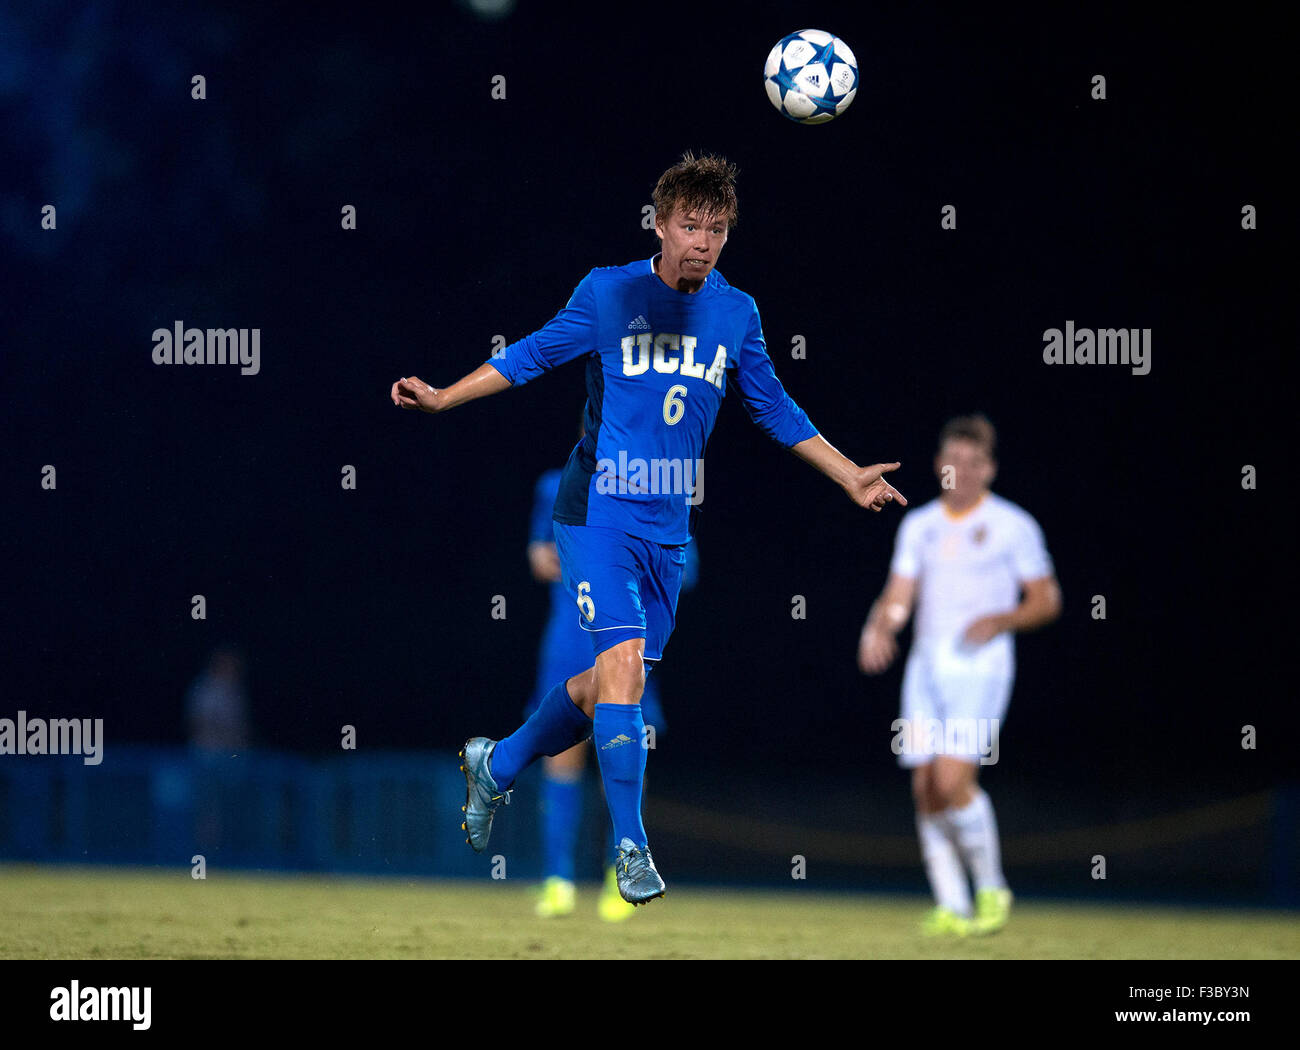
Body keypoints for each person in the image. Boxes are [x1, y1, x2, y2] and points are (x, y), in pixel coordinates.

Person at [393, 151, 906, 905]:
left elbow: (772, 406)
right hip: (596, 511)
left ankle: (496, 765)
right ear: (660, 225)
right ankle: (630, 848)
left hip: (668, 530)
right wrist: (442, 399)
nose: (702, 241)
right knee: (624, 666)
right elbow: (531, 356)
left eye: (717, 229)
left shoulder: (738, 313)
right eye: (690, 225)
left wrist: (848, 471)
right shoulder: (609, 293)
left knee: (607, 686)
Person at [858, 414, 1060, 935]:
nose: (961, 471)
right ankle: (952, 905)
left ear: (989, 468)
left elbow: (1047, 600)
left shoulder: (1013, 525)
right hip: (925, 668)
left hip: (980, 667)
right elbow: (900, 596)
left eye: (973, 462)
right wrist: (880, 626)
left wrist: (1003, 618)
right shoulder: (919, 524)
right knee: (925, 786)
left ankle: (991, 886)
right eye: (953, 460)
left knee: (951, 781)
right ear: (938, 465)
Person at [525, 452, 698, 921]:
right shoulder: (557, 482)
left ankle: (616, 875)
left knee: (621, 751)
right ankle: (557, 880)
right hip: (572, 636)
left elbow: (686, 567)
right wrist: (599, 563)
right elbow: (540, 557)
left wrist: (623, 564)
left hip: (628, 639)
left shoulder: (661, 487)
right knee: (563, 756)